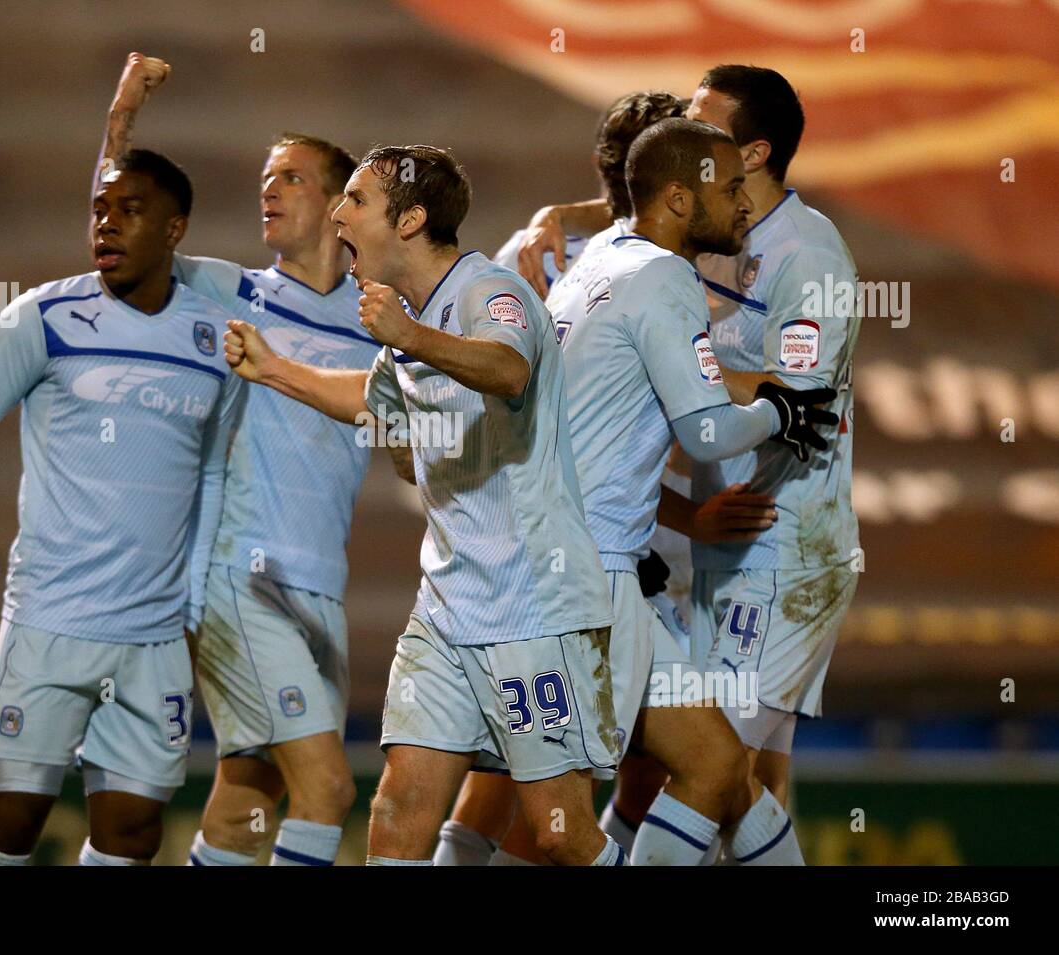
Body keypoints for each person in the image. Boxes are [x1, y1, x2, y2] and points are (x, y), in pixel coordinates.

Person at [225, 144, 625, 865]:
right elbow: (372, 398)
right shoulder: (407, 324)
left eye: (355, 201)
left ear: (409, 220)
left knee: (559, 833)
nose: (338, 216)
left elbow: (507, 368)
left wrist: (407, 336)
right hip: (447, 609)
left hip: (533, 611)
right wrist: (274, 369)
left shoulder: (488, 291)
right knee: (400, 804)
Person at [514, 65, 862, 852]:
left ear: (756, 151)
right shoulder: (693, 240)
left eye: (703, 121)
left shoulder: (804, 257)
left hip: (781, 546)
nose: (678, 130)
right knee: (715, 777)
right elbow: (720, 390)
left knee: (713, 768)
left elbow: (796, 406)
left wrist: (764, 403)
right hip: (695, 551)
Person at [96, 53, 390, 867]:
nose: (268, 188)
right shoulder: (230, 292)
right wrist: (120, 125)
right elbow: (120, 245)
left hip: (317, 583)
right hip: (239, 575)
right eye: (266, 176)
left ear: (338, 205)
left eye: (290, 177)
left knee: (244, 801)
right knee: (327, 789)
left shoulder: (378, 324)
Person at [0, 149, 243, 865]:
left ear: (175, 228)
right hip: (50, 622)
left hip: (154, 637)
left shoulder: (215, 339)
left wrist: (193, 604)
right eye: (100, 208)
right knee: (11, 824)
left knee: (131, 834)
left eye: (130, 209)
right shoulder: (44, 318)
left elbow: (212, 475)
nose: (108, 224)